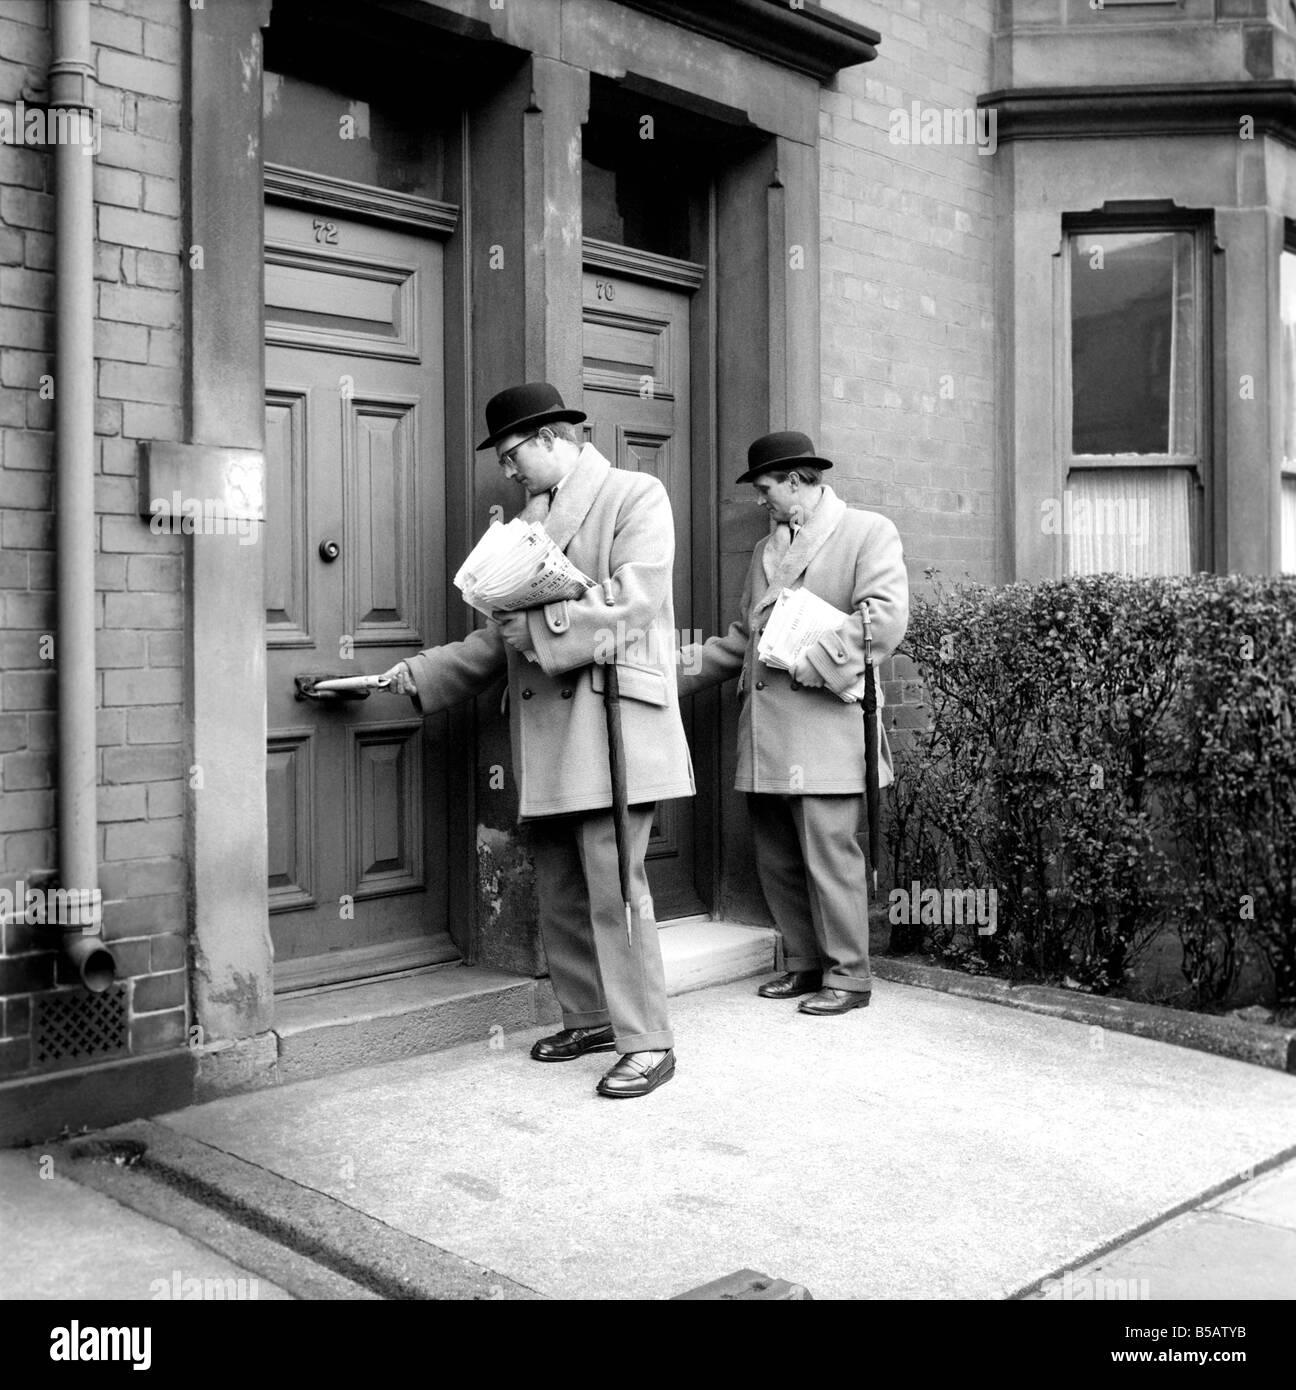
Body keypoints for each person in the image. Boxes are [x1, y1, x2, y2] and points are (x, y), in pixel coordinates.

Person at [383, 382, 693, 1097]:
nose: (510, 471)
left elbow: (633, 602)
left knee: (617, 886)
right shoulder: (528, 526)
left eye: (514, 455)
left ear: (554, 439)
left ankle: (647, 1041)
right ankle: (588, 1016)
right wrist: (418, 674)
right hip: (556, 736)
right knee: (558, 886)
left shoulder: (635, 495)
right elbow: (498, 640)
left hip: (616, 725)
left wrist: (541, 629)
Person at [678, 430, 908, 1015]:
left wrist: (818, 658)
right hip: (768, 736)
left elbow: (883, 620)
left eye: (766, 490)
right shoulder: (763, 552)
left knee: (830, 857)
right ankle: (807, 964)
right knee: (778, 858)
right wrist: (667, 674)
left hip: (825, 733)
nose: (762, 502)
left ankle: (850, 978)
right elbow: (742, 642)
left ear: (798, 483)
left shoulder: (866, 532)